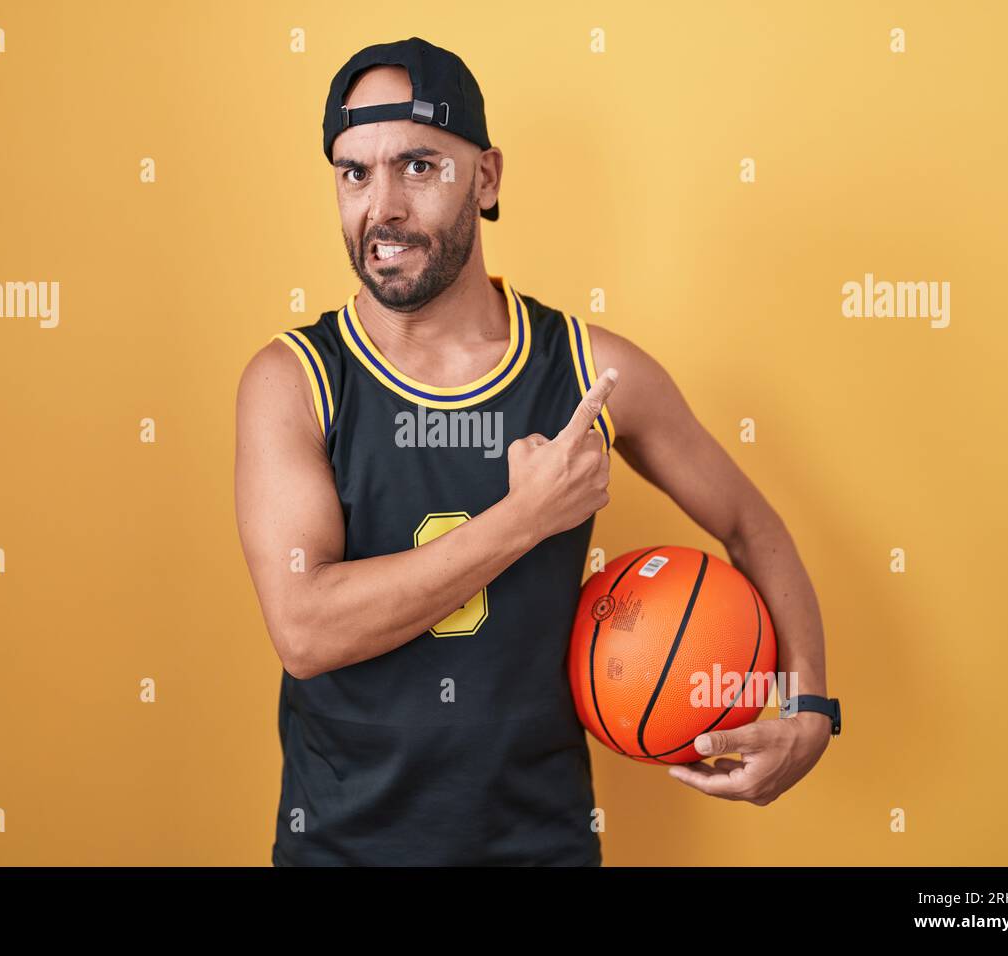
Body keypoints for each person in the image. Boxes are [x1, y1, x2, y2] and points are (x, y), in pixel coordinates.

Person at [235, 36, 838, 866]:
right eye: (354, 174)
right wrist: (526, 519)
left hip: (541, 845)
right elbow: (305, 629)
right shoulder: (294, 380)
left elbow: (752, 528)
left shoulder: (594, 370)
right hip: (340, 850)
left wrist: (808, 707)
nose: (382, 207)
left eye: (418, 166)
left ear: (484, 178)